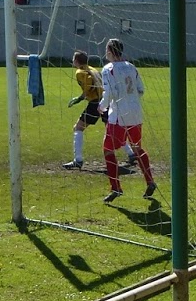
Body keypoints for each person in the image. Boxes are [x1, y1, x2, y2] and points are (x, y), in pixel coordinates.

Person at [98, 38, 157, 203]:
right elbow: (141, 89)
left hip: (118, 116)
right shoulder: (131, 67)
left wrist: (101, 107)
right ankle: (150, 181)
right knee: (137, 147)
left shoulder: (107, 69)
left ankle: (116, 188)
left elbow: (108, 93)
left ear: (110, 51)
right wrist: (131, 100)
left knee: (108, 150)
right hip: (136, 114)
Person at [62, 51, 103, 169]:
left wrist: (80, 98)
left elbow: (88, 85)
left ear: (76, 61)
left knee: (78, 128)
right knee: (112, 128)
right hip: (105, 101)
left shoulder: (80, 72)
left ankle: (78, 160)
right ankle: (131, 153)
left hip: (95, 103)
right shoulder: (93, 69)